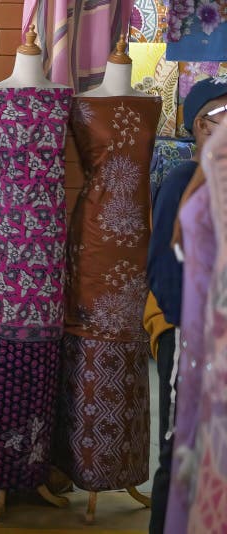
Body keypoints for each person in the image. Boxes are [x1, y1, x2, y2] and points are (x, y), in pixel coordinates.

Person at [146, 75, 227, 534]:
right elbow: (162, 268)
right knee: (180, 453)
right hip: (188, 339)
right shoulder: (182, 181)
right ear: (199, 124)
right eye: (222, 115)